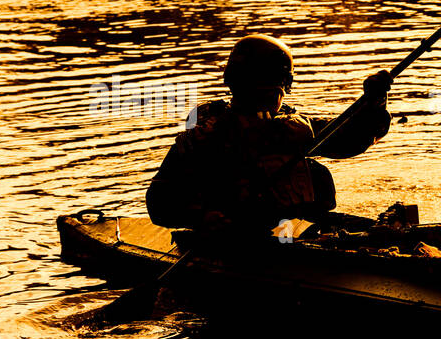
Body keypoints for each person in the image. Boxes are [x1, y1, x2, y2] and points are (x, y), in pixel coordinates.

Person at [146, 34, 392, 239]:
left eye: (271, 91)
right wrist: (201, 217)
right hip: (231, 238)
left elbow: (351, 139)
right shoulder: (206, 135)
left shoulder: (290, 127)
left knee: (379, 230)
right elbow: (159, 202)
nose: (268, 100)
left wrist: (375, 103)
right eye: (259, 91)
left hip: (295, 230)